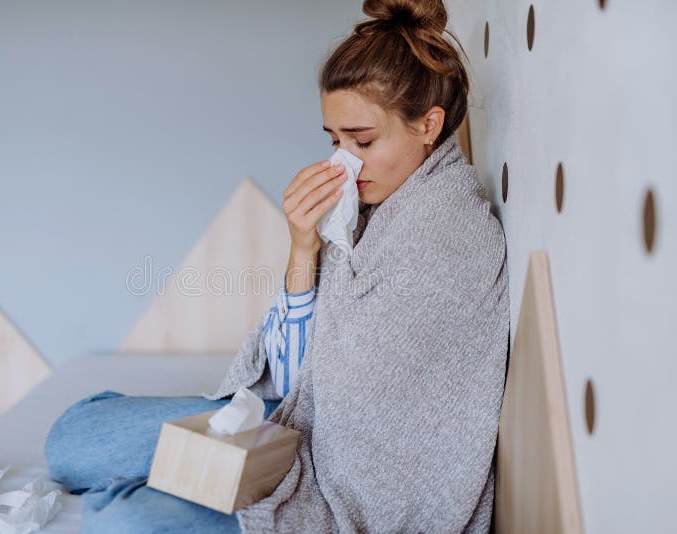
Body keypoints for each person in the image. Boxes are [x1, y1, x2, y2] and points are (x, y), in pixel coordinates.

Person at [45, 0, 510, 532]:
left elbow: (362, 437)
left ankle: (164, 488)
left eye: (362, 140)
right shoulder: (372, 209)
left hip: (331, 473)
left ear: (428, 125)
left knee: (127, 520)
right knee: (75, 437)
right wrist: (302, 250)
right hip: (301, 418)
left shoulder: (447, 242)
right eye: (334, 141)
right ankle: (175, 481)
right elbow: (299, 385)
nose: (343, 162)